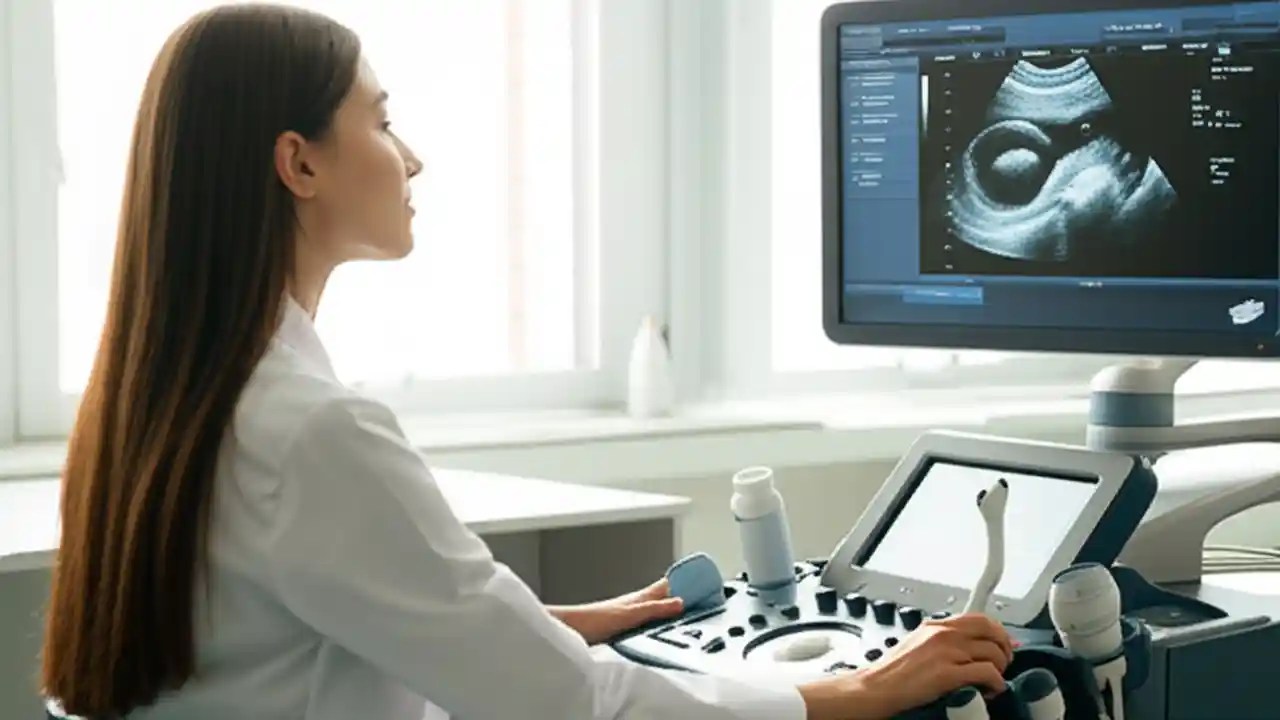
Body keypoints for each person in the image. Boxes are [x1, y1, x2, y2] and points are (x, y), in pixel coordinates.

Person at [39, 4, 1015, 719]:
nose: (410, 157)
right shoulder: (311, 432)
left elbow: (281, 629)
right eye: (381, 120)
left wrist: (539, 623)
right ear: (299, 164)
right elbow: (571, 706)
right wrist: (853, 694)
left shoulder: (156, 405)